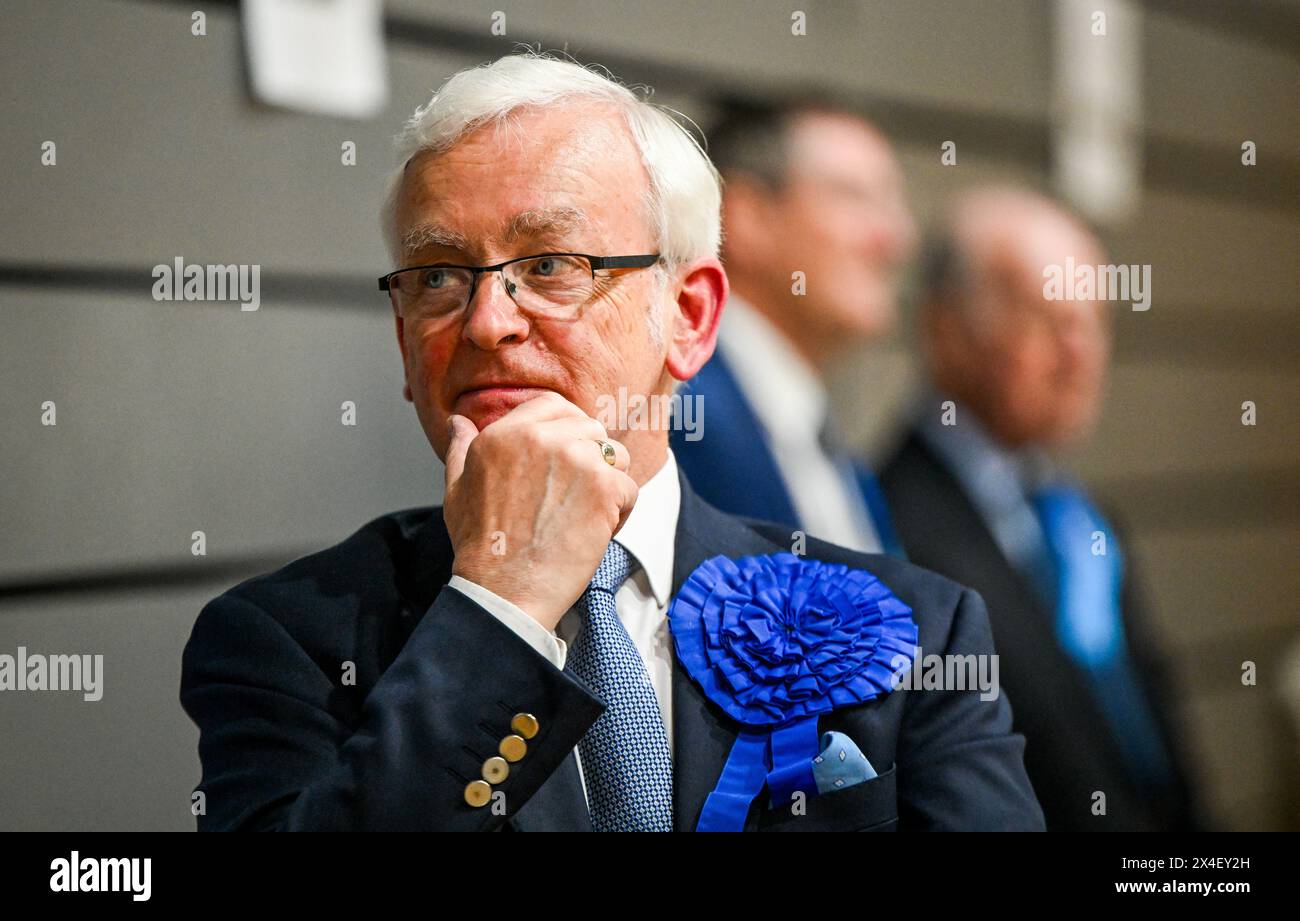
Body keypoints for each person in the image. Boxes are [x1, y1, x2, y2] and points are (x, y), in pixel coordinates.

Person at [180, 54, 1043, 832]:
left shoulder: (918, 635)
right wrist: (500, 605)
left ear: (690, 317)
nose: (485, 321)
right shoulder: (285, 640)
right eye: (438, 276)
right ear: (404, 341)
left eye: (550, 265)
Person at [880, 186, 1200, 830]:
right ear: (948, 329)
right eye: (1045, 319)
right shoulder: (888, 527)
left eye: (1093, 322)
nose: (1078, 355)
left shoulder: (1079, 518)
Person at [671, 97, 916, 555]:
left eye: (892, 204)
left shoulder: (823, 438)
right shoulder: (677, 413)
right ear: (746, 217)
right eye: (855, 197)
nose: (894, 240)